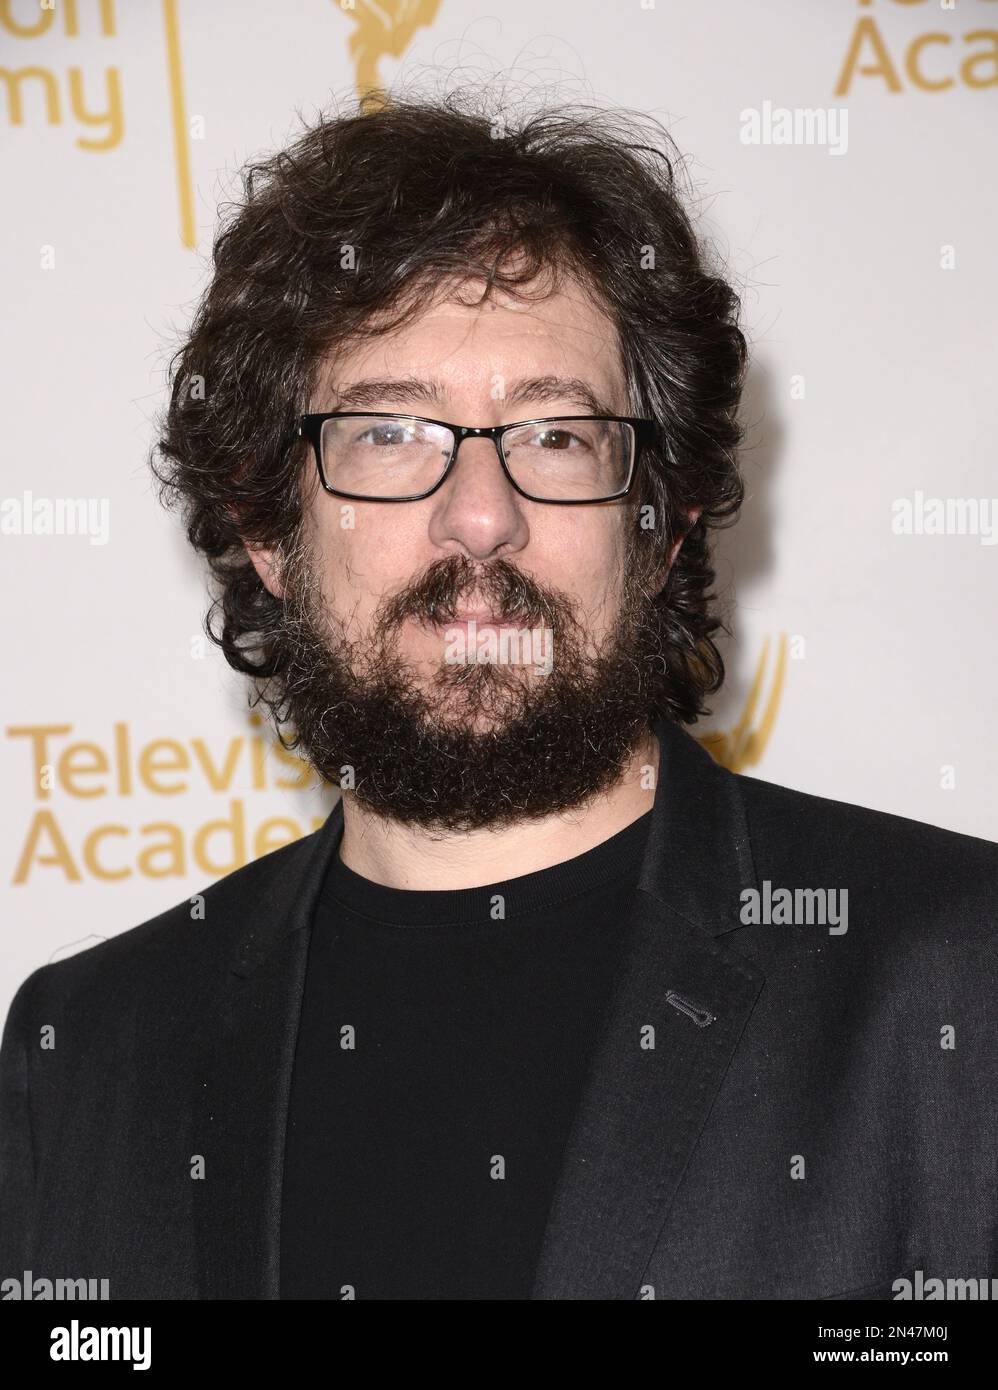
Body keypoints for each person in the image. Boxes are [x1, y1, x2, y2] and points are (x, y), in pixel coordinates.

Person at [2, 89, 995, 1302]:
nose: (481, 516)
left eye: (557, 438)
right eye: (388, 433)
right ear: (268, 529)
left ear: (662, 527)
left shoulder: (952, 974)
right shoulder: (93, 1043)